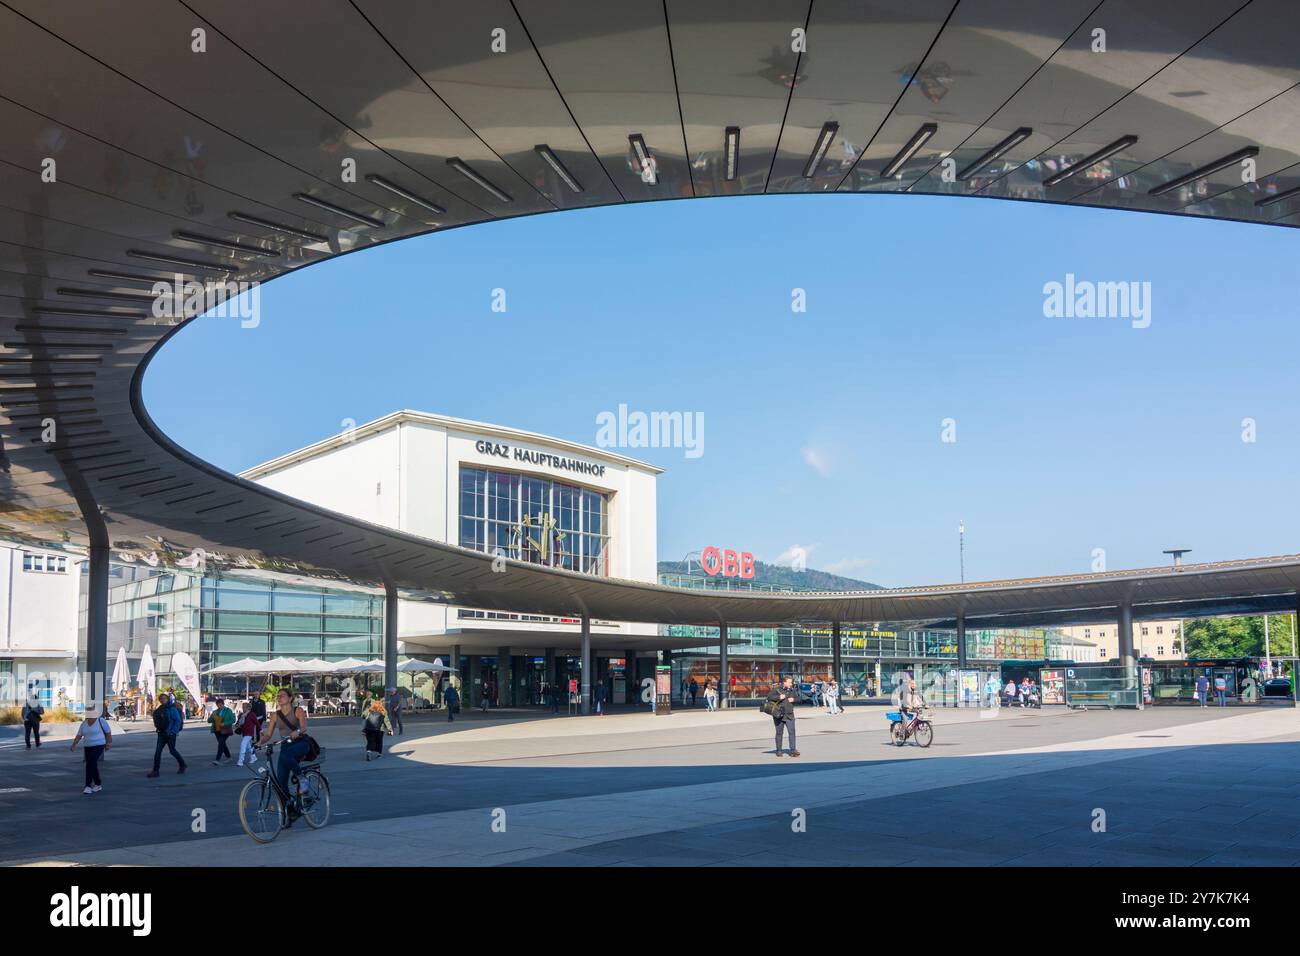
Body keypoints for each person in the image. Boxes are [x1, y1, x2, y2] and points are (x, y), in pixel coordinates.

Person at [256, 689, 312, 798]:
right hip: (286, 746)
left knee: (286, 755)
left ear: (290, 698)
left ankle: (302, 779)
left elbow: (304, 727)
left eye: (282, 695)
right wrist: (259, 742)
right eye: (278, 696)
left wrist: (297, 731)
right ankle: (288, 806)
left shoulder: (298, 710)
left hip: (301, 743)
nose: (279, 697)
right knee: (281, 783)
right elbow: (268, 734)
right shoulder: (275, 715)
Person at [71, 708, 112, 794]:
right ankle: (98, 784)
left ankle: (88, 786)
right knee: (92, 765)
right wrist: (74, 744)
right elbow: (79, 735)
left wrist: (108, 744)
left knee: (90, 764)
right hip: (88, 746)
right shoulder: (84, 724)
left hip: (99, 745)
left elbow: (108, 732)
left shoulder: (100, 721)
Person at [146, 692, 187, 778]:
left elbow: (178, 720)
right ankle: (155, 771)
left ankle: (182, 764)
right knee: (158, 752)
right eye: (161, 699)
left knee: (172, 751)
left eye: (164, 698)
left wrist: (173, 731)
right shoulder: (160, 709)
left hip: (170, 734)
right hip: (161, 733)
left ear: (167, 699)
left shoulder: (172, 708)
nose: (162, 700)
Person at [766, 676, 800, 757]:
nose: (791, 684)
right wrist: (778, 697)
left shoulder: (792, 690)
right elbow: (769, 697)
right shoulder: (777, 689)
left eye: (791, 682)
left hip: (789, 715)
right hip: (779, 715)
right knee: (779, 733)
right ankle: (779, 750)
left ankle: (793, 750)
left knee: (792, 732)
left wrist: (794, 699)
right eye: (789, 682)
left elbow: (799, 698)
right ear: (784, 682)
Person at [208, 696, 235, 766]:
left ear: (223, 704)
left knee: (221, 744)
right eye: (218, 705)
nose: (219, 707)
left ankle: (217, 759)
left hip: (225, 730)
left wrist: (224, 723)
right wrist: (212, 716)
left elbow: (233, 720)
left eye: (220, 705)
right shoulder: (215, 711)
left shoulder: (228, 711)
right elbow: (209, 721)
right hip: (217, 730)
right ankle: (229, 757)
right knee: (223, 744)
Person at [235, 701, 259, 767]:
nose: (243, 708)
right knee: (248, 747)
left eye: (244, 707)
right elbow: (237, 723)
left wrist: (261, 730)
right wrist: (237, 725)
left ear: (248, 708)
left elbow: (257, 723)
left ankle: (240, 761)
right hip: (244, 733)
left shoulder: (252, 714)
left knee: (243, 745)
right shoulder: (241, 715)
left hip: (250, 733)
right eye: (242, 707)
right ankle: (253, 757)